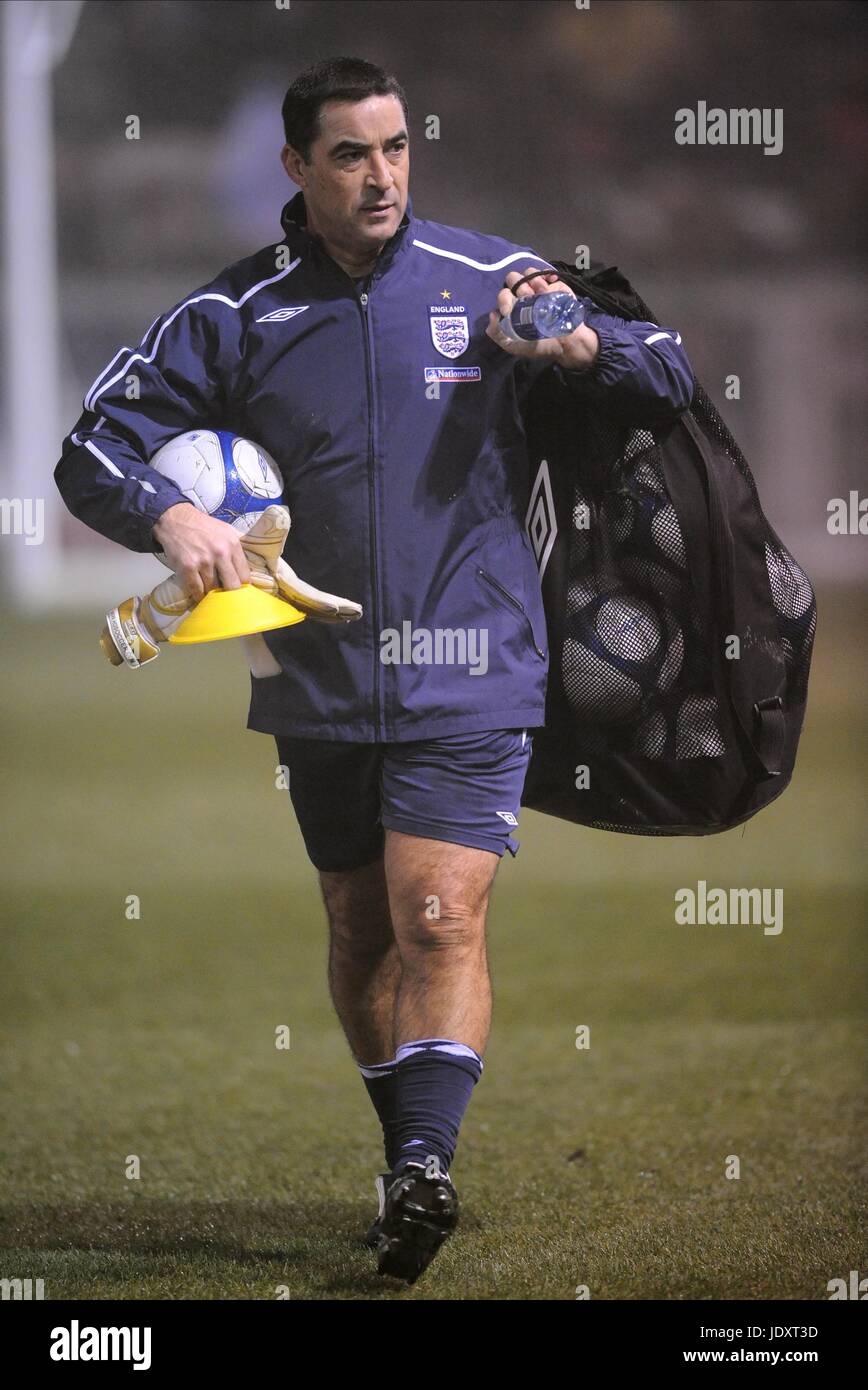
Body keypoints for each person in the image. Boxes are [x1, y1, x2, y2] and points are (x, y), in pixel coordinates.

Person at [55, 56, 694, 1285]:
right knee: (358, 930)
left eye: (396, 146)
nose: (381, 174)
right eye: (349, 153)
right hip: (321, 675)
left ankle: (423, 1171)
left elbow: (663, 367)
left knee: (435, 914)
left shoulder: (486, 279)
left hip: (472, 659)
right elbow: (94, 444)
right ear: (295, 170)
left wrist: (571, 351)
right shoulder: (232, 316)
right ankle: (408, 1156)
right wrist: (170, 520)